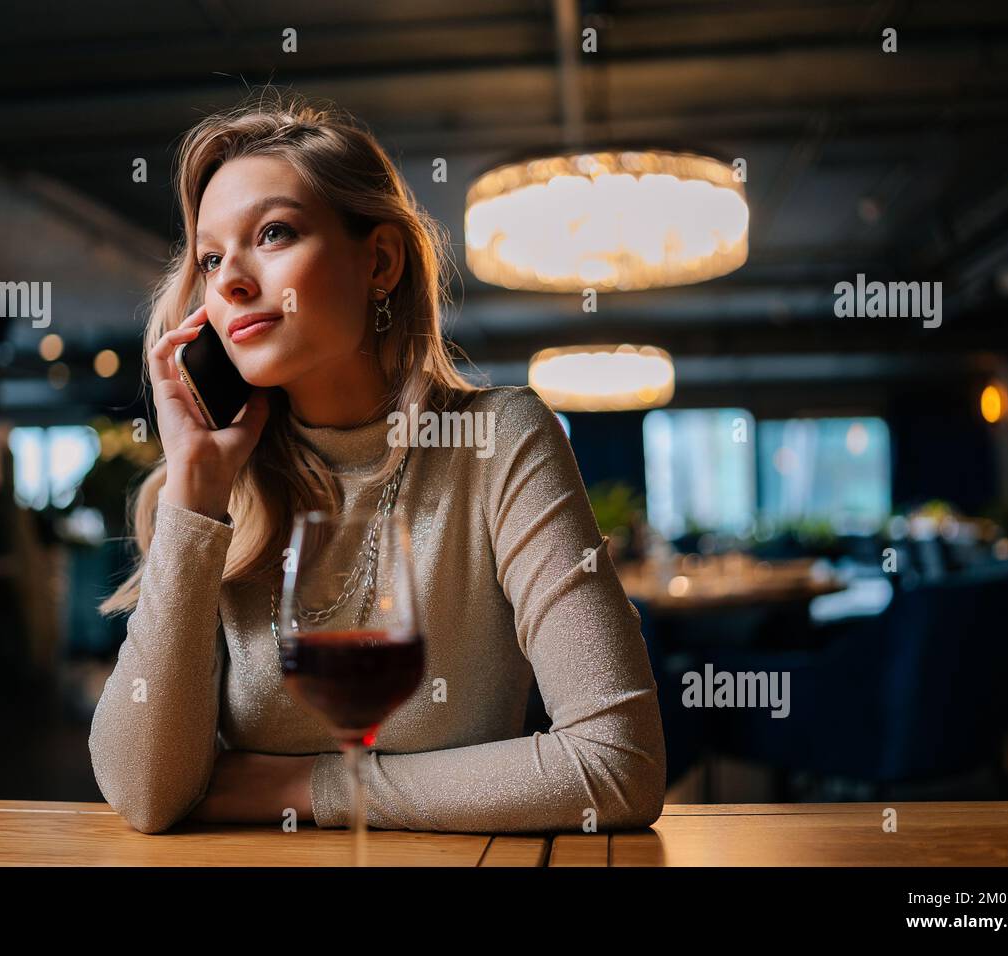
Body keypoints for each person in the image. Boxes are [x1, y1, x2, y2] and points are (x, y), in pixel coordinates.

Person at [89, 89, 666, 834]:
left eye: (273, 233)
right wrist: (196, 493)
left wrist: (306, 787)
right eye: (210, 257)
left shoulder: (499, 442)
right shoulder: (213, 489)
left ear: (381, 261)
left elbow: (618, 766)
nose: (230, 280)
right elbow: (144, 794)